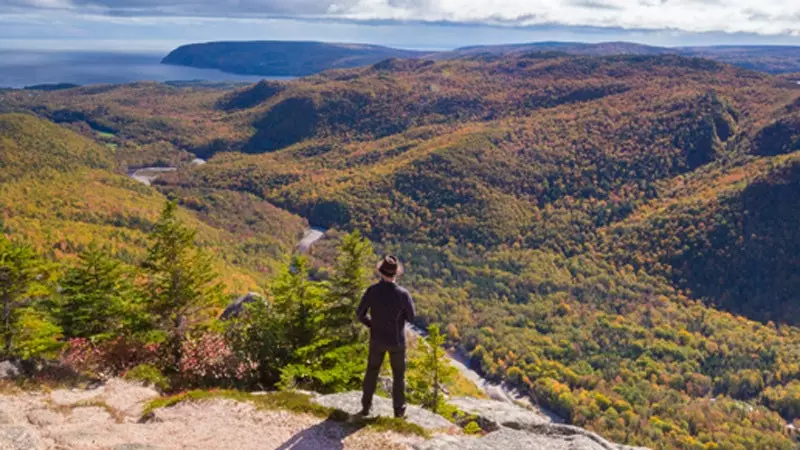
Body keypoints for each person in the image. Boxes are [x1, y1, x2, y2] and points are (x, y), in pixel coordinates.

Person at [356, 255, 415, 418]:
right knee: (398, 375)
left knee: (372, 371)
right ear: (396, 273)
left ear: (381, 272)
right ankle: (399, 411)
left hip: (377, 339)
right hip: (397, 341)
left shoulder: (372, 291)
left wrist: (373, 325)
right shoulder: (403, 294)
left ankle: (366, 408)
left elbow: (359, 314)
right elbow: (411, 318)